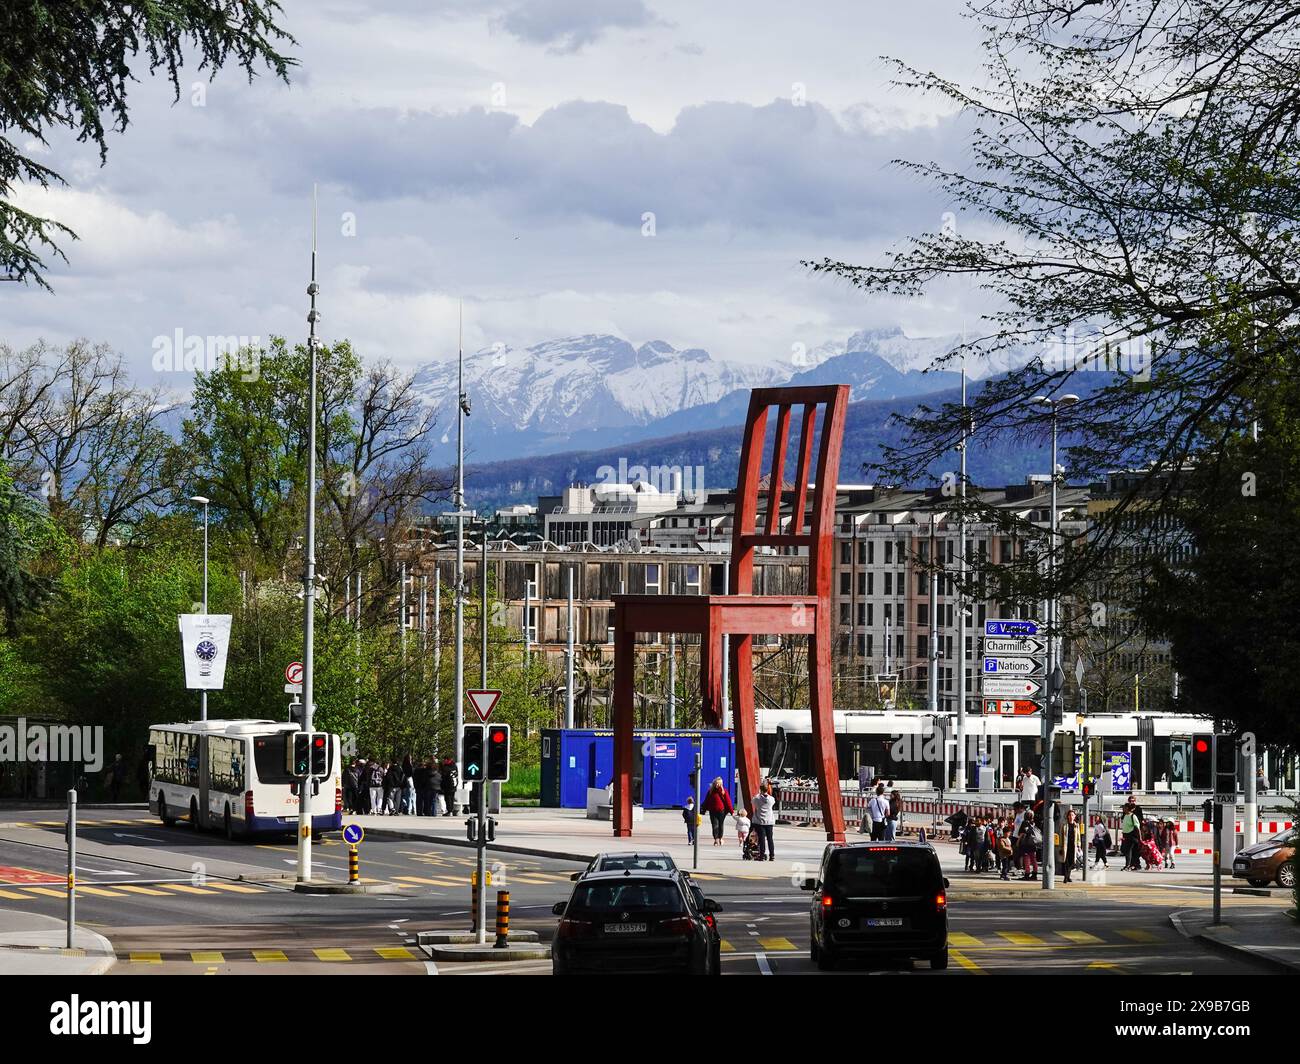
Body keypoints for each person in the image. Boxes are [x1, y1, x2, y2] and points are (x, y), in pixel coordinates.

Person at [702, 777, 734, 846]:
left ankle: (720, 838)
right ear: (714, 784)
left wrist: (732, 812)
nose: (717, 785)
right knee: (714, 825)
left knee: (720, 825)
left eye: (719, 784)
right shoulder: (711, 791)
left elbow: (728, 802)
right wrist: (703, 810)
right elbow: (706, 801)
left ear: (721, 784)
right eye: (716, 783)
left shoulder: (724, 791)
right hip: (712, 811)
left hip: (721, 811)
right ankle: (716, 839)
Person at [751, 781, 777, 861]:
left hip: (760, 821)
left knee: (761, 839)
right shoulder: (771, 799)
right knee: (770, 839)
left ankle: (761, 855)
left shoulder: (757, 798)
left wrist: (758, 793)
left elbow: (752, 801)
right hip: (769, 821)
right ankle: (772, 855)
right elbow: (773, 801)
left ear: (760, 790)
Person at [1057, 808, 1080, 883]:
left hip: (1073, 846)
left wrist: (1079, 846)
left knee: (1072, 862)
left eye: (1072, 815)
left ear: (1074, 816)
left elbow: (1078, 837)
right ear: (1067, 816)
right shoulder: (1064, 825)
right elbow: (1060, 836)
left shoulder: (1076, 825)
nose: (1071, 816)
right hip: (1066, 846)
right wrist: (1060, 847)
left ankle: (1068, 876)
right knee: (1066, 862)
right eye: (1069, 815)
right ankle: (1066, 877)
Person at [1120, 800, 1142, 870]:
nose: (1123, 809)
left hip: (1132, 836)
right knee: (1125, 850)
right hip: (1126, 835)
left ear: (1127, 808)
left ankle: (1128, 865)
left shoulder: (1133, 816)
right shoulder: (1125, 816)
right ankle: (1133, 865)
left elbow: (1137, 828)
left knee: (1128, 850)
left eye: (1124, 808)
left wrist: (1140, 838)